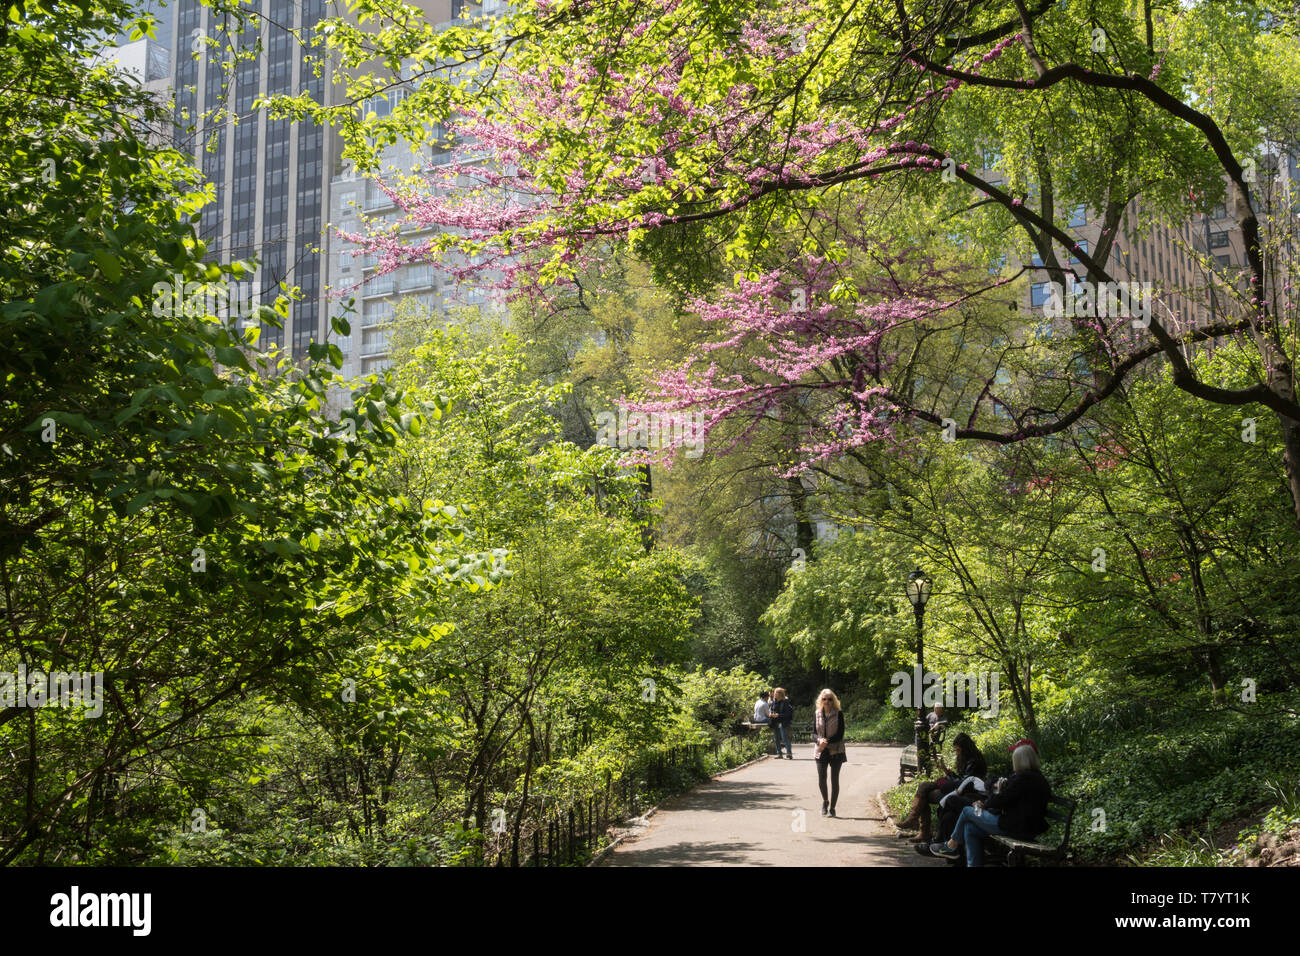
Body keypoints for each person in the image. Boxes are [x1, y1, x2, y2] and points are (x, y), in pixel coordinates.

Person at [932, 742, 1051, 866]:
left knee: (967, 811)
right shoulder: (1038, 778)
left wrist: (986, 803)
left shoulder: (1022, 779)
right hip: (1027, 827)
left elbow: (1001, 800)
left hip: (1017, 828)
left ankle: (951, 846)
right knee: (970, 828)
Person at [899, 732, 986, 845]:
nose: (957, 753)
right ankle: (918, 826)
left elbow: (967, 783)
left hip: (960, 792)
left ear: (965, 749)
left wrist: (949, 777)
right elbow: (961, 778)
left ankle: (919, 826)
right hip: (954, 787)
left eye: (958, 750)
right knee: (924, 788)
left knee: (924, 789)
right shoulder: (967, 758)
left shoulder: (974, 761)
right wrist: (948, 772)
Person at [813, 689, 846, 816]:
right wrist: (818, 740)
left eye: (830, 699)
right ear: (820, 700)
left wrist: (827, 740)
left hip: (836, 749)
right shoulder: (817, 714)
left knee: (834, 779)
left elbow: (840, 734)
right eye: (824, 699)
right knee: (822, 779)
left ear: (834, 700)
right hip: (821, 750)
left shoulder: (839, 714)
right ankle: (825, 801)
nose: (827, 701)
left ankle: (832, 808)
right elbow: (814, 733)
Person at [770, 687, 794, 759]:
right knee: (776, 738)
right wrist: (771, 714)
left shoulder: (786, 702)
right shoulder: (774, 702)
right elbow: (771, 709)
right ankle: (779, 754)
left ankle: (789, 753)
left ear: (780, 694)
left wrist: (778, 715)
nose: (774, 694)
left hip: (783, 722)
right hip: (775, 722)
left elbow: (788, 714)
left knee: (785, 738)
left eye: (775, 693)